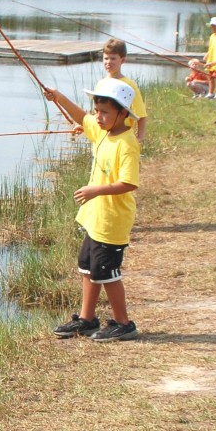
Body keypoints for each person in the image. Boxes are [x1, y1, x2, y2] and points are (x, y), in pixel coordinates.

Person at [44, 78, 141, 342]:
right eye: (97, 110)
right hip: (96, 218)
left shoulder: (127, 143)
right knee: (88, 268)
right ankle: (87, 320)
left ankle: (124, 324)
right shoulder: (102, 132)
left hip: (112, 221)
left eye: (105, 112)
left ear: (122, 112)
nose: (98, 117)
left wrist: (95, 190)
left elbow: (129, 182)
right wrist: (58, 97)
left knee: (107, 274)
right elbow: (81, 117)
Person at [102, 38, 149, 143]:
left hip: (123, 136)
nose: (108, 62)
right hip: (104, 137)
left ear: (122, 60)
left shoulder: (129, 85)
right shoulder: (101, 84)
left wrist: (140, 138)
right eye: (106, 58)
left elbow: (141, 114)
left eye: (113, 59)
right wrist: (85, 126)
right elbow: (98, 113)